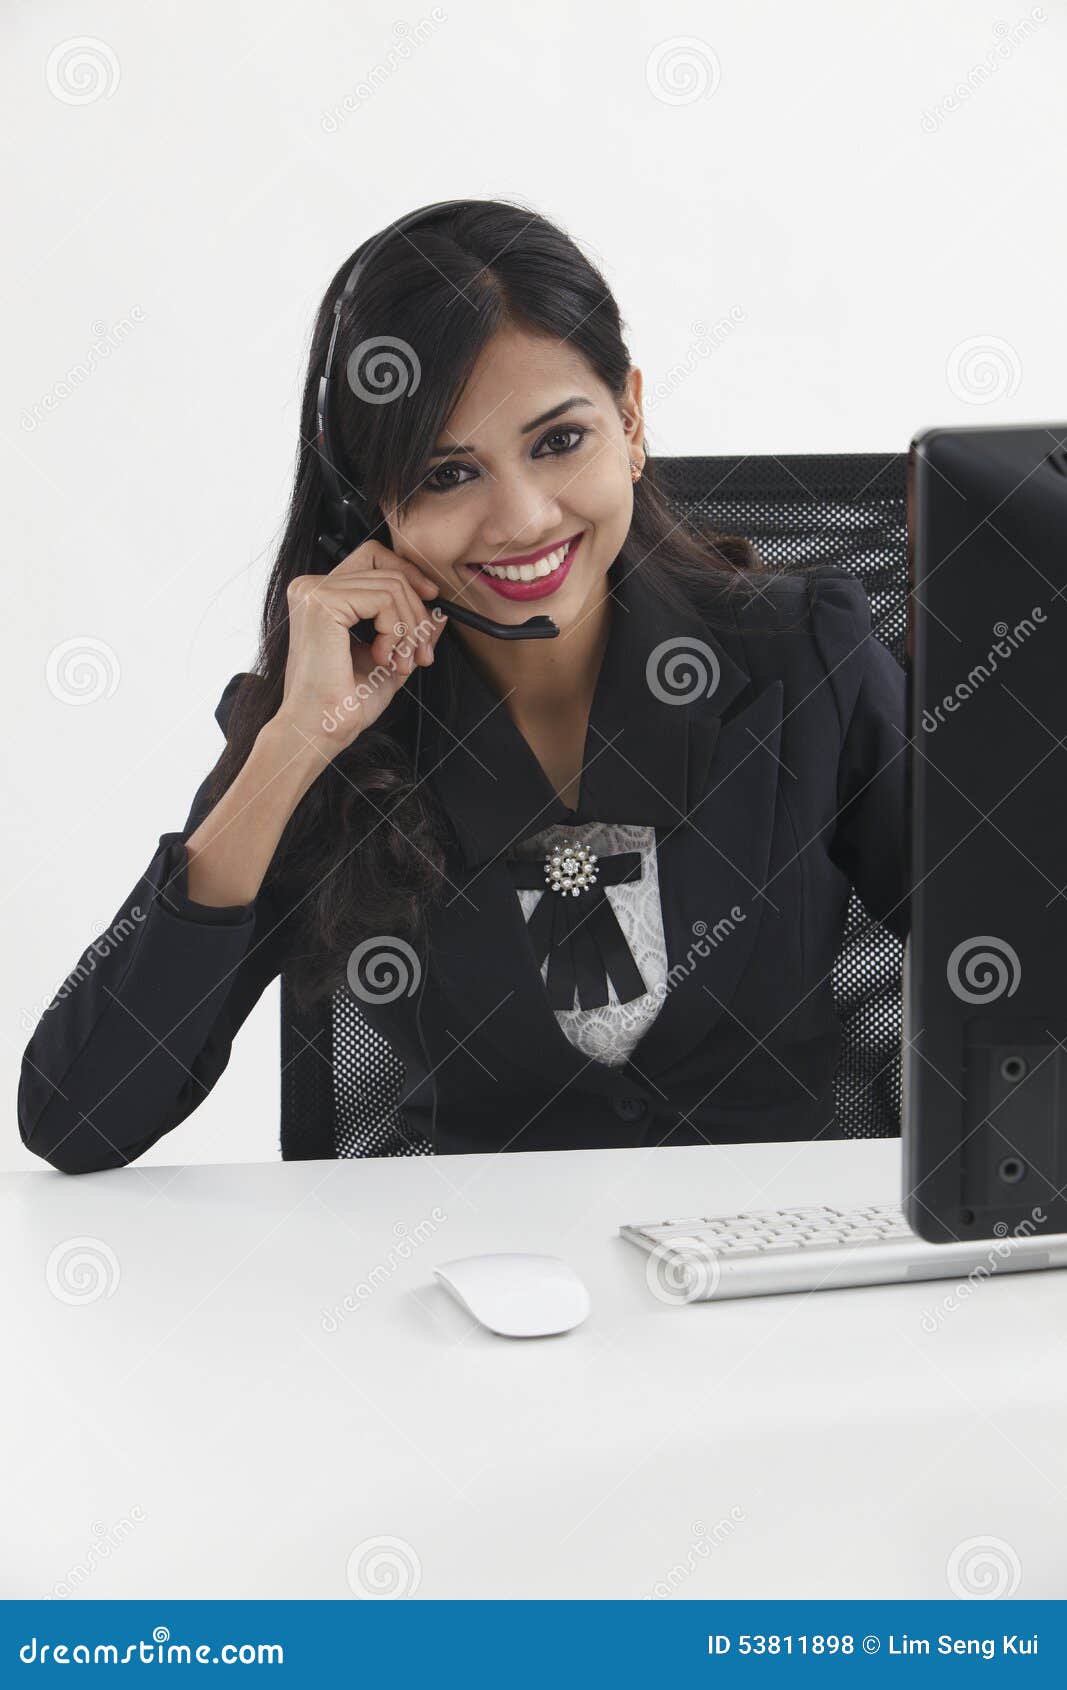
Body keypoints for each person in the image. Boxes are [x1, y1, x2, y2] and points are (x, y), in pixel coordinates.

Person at [17, 199, 908, 1175]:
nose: (520, 519)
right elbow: (76, 1114)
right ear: (374, 501)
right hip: (478, 1285)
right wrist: (293, 748)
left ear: (630, 418)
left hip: (776, 1268)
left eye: (557, 442)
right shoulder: (340, 727)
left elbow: (1015, 973)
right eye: (447, 473)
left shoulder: (803, 655)